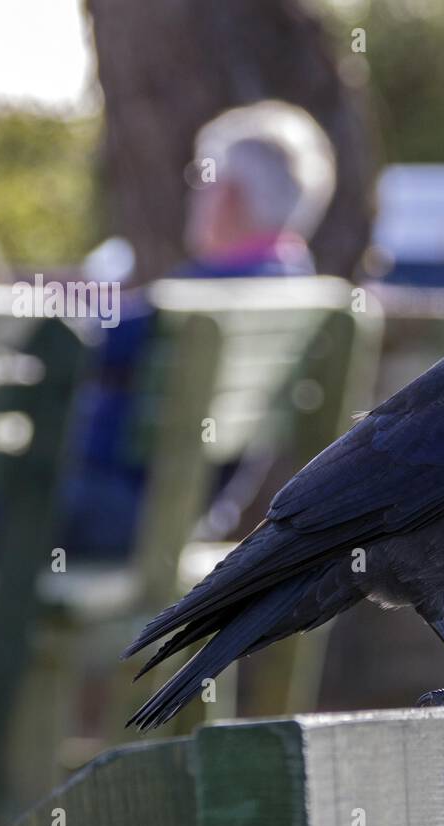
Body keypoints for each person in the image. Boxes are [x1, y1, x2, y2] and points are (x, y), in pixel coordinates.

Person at [61, 101, 337, 558]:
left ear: (228, 194)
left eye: (200, 180)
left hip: (117, 513)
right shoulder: (296, 293)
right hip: (192, 517)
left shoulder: (205, 300)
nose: (194, 195)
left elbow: (74, 344)